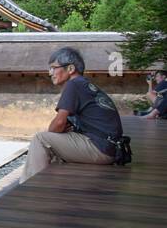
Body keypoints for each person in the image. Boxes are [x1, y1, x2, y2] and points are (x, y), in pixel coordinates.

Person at [22, 48, 124, 181]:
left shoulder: (73, 85)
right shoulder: (85, 85)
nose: (50, 73)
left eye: (54, 68)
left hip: (101, 148)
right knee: (54, 141)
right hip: (110, 147)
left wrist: (56, 129)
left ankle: (32, 186)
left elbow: (58, 124)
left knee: (41, 139)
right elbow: (64, 125)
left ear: (70, 69)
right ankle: (51, 183)